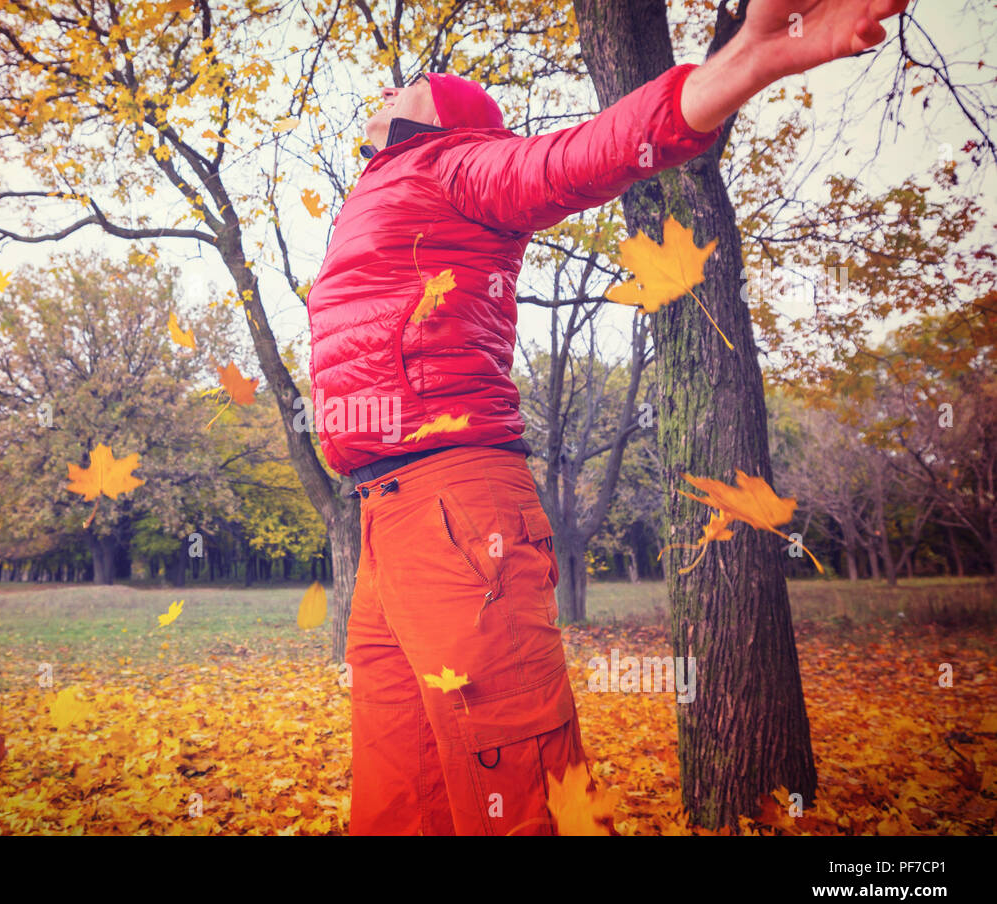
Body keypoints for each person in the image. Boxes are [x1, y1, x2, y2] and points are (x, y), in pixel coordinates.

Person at [304, 0, 910, 835]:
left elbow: (573, 160)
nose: (388, 88)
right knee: (399, 800)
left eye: (409, 86)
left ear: (441, 118)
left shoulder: (456, 164)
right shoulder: (385, 192)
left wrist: (739, 67)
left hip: (454, 509)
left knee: (516, 792)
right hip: (386, 516)